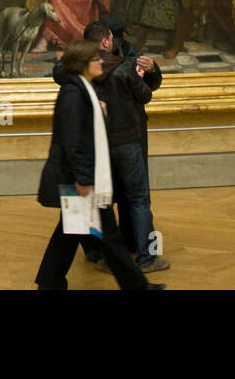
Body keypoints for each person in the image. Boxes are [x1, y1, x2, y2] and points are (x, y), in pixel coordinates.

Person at [34, 41, 158, 290]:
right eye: (95, 59)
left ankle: (50, 282)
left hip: (83, 178)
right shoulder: (72, 93)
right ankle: (138, 287)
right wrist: (83, 178)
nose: (101, 61)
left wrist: (96, 112)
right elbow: (72, 140)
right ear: (82, 65)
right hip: (81, 180)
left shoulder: (82, 88)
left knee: (71, 234)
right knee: (106, 236)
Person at [82, 21, 167, 273]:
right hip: (128, 140)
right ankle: (146, 259)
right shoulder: (125, 67)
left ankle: (110, 259)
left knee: (104, 203)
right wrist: (142, 75)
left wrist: (152, 69)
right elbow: (146, 95)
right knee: (139, 200)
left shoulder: (84, 68)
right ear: (106, 41)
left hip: (101, 143)